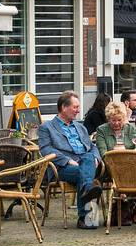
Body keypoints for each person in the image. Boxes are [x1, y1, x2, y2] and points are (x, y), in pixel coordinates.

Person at [36, 91, 104, 228]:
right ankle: (87, 217)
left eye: (78, 107)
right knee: (84, 174)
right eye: (75, 107)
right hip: (62, 167)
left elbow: (92, 146)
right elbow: (45, 149)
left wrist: (96, 157)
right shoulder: (47, 127)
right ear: (63, 107)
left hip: (86, 163)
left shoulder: (80, 127)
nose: (78, 111)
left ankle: (86, 209)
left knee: (86, 165)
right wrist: (66, 160)